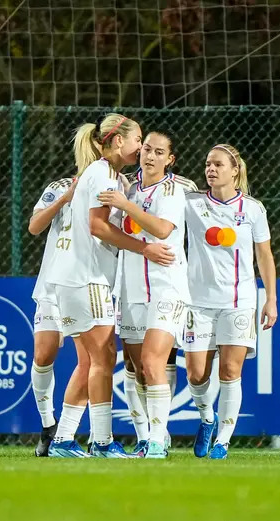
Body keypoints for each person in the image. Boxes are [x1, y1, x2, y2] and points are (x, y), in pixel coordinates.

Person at [47, 114, 174, 457]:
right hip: (86, 278)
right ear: (119, 141)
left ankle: (63, 439)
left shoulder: (106, 174)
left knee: (89, 362)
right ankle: (102, 441)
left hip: (73, 278)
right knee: (103, 358)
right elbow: (98, 227)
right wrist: (144, 248)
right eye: (138, 141)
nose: (141, 148)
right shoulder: (103, 173)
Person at [98, 131, 191, 459]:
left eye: (159, 152)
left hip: (168, 287)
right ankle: (148, 436)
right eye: (147, 149)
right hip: (131, 288)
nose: (150, 156)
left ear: (170, 159)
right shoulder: (127, 187)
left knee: (153, 361)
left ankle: (156, 442)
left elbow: (162, 229)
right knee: (137, 367)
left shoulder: (173, 189)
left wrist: (125, 206)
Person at [183, 144, 277, 459]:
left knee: (230, 370)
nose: (211, 169)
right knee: (196, 374)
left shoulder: (252, 208)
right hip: (198, 302)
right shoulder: (191, 203)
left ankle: (222, 441)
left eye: (218, 164)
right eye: (208, 164)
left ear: (235, 170)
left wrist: (271, 298)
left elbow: (264, 255)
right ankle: (207, 418)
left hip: (238, 301)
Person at [27, 176, 77, 456]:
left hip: (92, 284)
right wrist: (64, 199)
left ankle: (89, 434)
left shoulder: (118, 186)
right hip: (53, 286)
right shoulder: (60, 186)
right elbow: (34, 226)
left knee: (93, 361)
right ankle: (49, 426)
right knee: (43, 355)